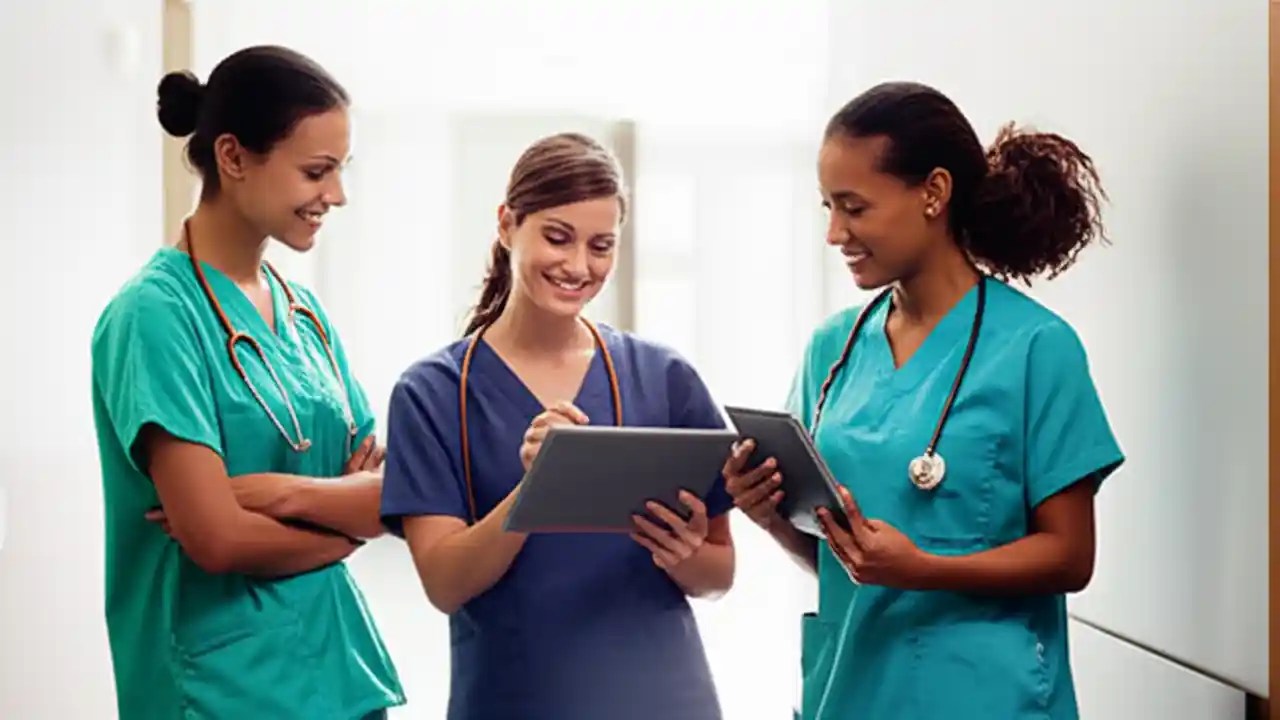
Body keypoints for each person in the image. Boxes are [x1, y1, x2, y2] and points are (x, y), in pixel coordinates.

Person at [725, 81, 1125, 720]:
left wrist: (925, 568)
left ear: (934, 194)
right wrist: (769, 515)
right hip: (849, 691)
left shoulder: (1036, 348)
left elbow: (1071, 556)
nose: (835, 232)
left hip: (985, 696)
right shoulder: (833, 349)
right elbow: (839, 558)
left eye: (854, 208)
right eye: (827, 207)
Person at [90, 45, 404, 719]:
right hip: (219, 686)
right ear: (232, 158)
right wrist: (343, 532)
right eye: (316, 171)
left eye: (340, 171)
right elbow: (217, 539)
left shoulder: (304, 314)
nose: (337, 195)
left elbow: (390, 495)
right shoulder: (155, 315)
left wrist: (284, 493)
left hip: (338, 672)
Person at [379, 132, 735, 719]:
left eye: (601, 246)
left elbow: (718, 574)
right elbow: (444, 582)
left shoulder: (665, 378)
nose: (578, 266)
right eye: (556, 237)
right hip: (516, 699)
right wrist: (538, 488)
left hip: (663, 699)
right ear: (506, 225)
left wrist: (683, 553)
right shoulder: (434, 392)